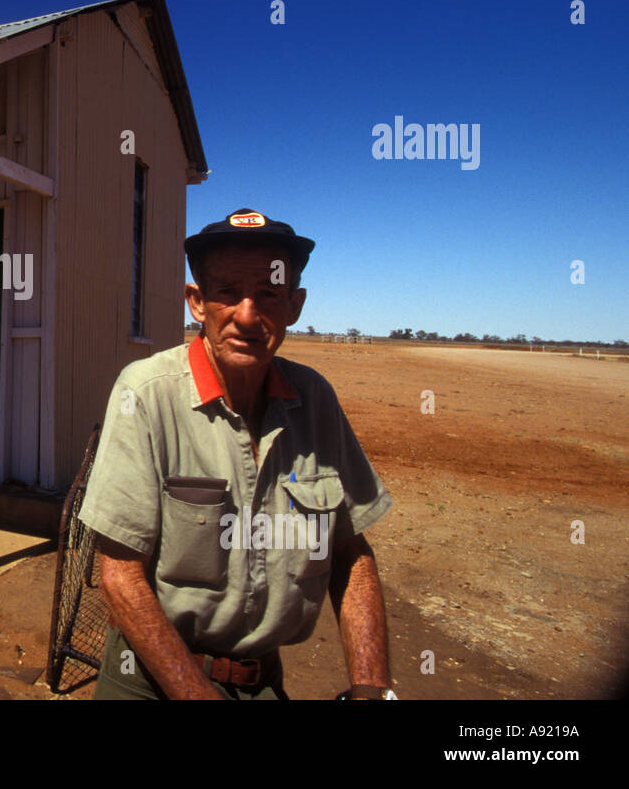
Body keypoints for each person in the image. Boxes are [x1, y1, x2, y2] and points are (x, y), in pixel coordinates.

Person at [79, 208, 396, 700]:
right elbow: (119, 576)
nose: (247, 316)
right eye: (227, 292)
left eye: (268, 294)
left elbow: (351, 553)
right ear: (197, 302)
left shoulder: (315, 400)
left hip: (261, 679)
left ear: (294, 305)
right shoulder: (145, 394)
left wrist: (373, 687)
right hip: (151, 677)